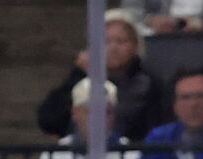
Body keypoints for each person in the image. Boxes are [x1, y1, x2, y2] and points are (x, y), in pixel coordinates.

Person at [36, 8, 164, 143]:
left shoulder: (149, 85)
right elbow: (49, 122)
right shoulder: (80, 79)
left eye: (121, 41)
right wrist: (79, 74)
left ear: (135, 46)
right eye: (105, 41)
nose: (113, 48)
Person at [35, 79, 135, 159]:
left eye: (107, 112)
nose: (99, 119)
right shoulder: (54, 156)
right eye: (91, 111)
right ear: (74, 113)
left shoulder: (130, 155)